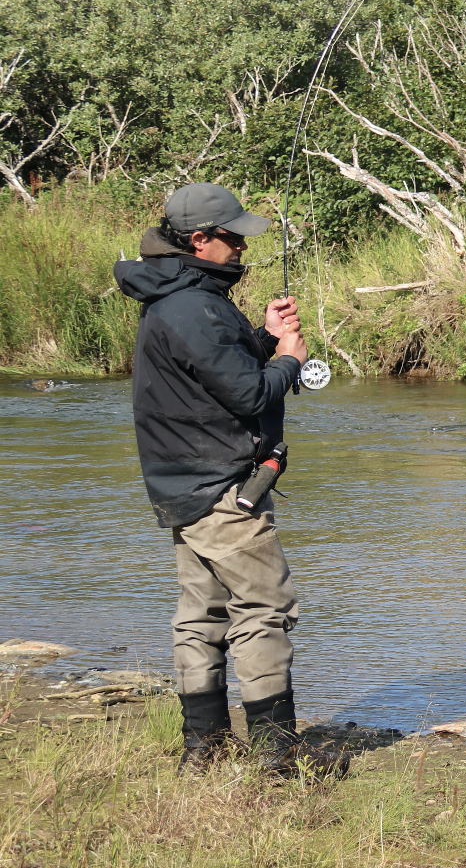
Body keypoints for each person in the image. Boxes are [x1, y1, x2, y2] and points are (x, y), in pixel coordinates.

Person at [113, 182, 346, 778]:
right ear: (199, 240)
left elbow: (215, 372)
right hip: (222, 490)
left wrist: (265, 336)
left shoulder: (179, 295)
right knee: (265, 610)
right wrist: (289, 359)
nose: (244, 243)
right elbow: (247, 391)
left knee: (202, 614)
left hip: (183, 487)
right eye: (234, 235)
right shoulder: (194, 307)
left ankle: (206, 750)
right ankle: (275, 759)